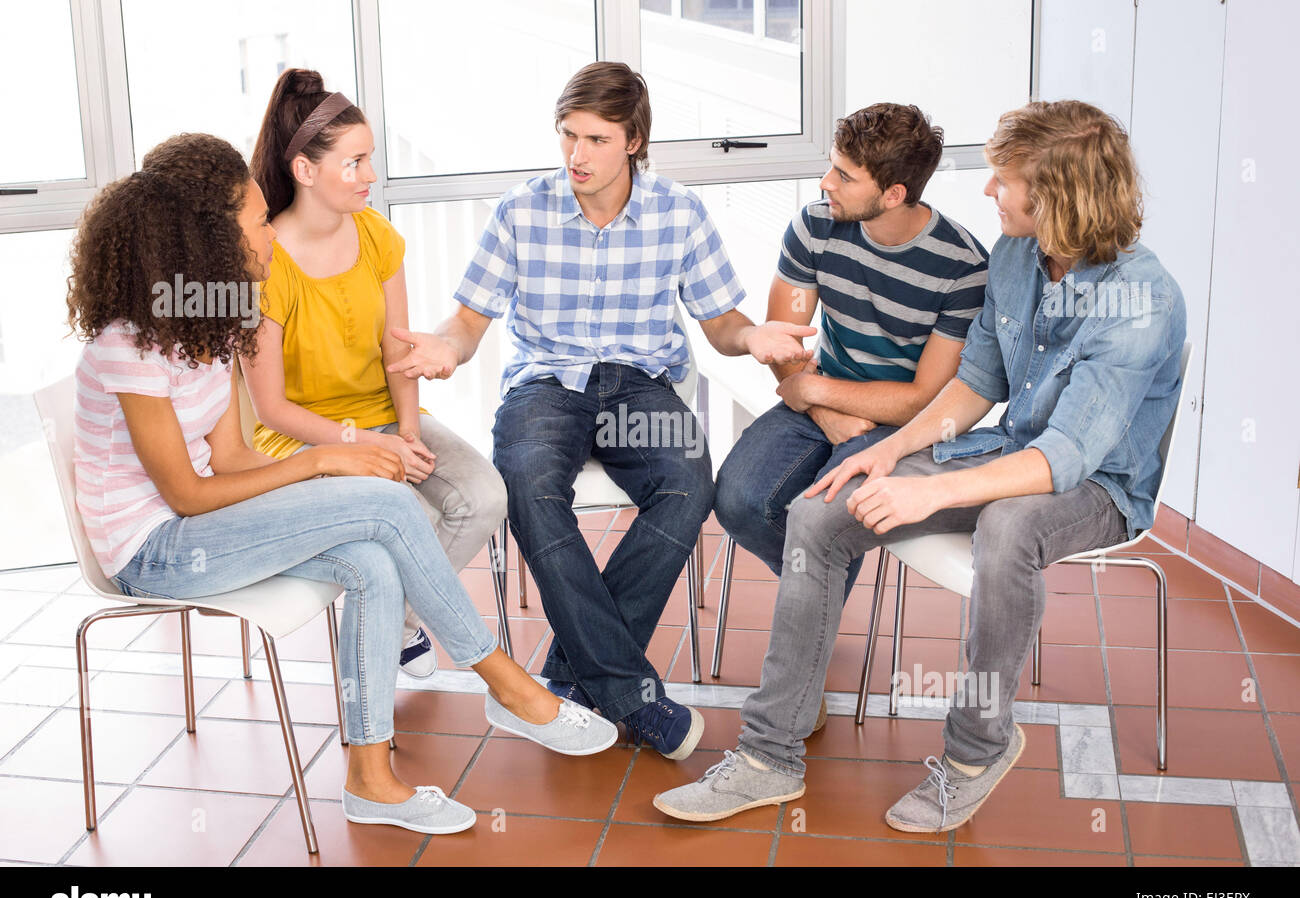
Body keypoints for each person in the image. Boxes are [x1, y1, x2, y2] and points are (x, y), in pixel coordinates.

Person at [654, 100, 1185, 830]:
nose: (990, 191)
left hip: (1099, 485)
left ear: (1059, 195)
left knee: (1007, 530)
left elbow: (1065, 457)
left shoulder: (1140, 301)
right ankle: (768, 756)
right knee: (819, 510)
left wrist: (925, 496)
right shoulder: (1016, 259)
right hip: (1007, 451)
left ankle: (977, 749)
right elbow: (977, 386)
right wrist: (891, 452)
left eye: (1005, 180)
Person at [69, 133, 616, 838]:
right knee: (385, 506)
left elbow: (230, 457)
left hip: (203, 521)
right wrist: (323, 462)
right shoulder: (129, 346)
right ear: (205, 242)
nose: (270, 234)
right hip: (153, 549)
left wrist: (324, 468)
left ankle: (369, 779)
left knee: (372, 560)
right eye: (257, 221)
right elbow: (185, 495)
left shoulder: (209, 322)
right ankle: (505, 682)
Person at [387, 62, 815, 761]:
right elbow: (468, 321)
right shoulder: (523, 208)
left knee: (688, 489)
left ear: (634, 141)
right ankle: (629, 695)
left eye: (595, 139)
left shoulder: (678, 212)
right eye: (567, 136)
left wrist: (753, 339)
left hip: (641, 383)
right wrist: (446, 346)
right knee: (526, 489)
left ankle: (570, 678)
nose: (577, 155)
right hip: (545, 385)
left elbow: (721, 323)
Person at [713, 104, 988, 729]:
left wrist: (816, 394)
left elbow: (924, 398)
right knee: (735, 498)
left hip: (898, 428)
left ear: (893, 193)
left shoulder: (963, 266)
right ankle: (819, 596)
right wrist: (813, 398)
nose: (825, 185)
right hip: (822, 397)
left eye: (843, 175)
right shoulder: (816, 226)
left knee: (822, 523)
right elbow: (785, 341)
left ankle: (796, 687)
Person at [242, 69, 508, 679]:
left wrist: (408, 432)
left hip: (386, 417)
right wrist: (368, 446)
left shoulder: (378, 237)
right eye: (354, 162)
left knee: (486, 495)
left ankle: (396, 623)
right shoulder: (265, 266)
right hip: (309, 439)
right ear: (306, 171)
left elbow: (401, 354)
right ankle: (378, 632)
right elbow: (270, 412)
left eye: (371, 160)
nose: (370, 176)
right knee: (406, 513)